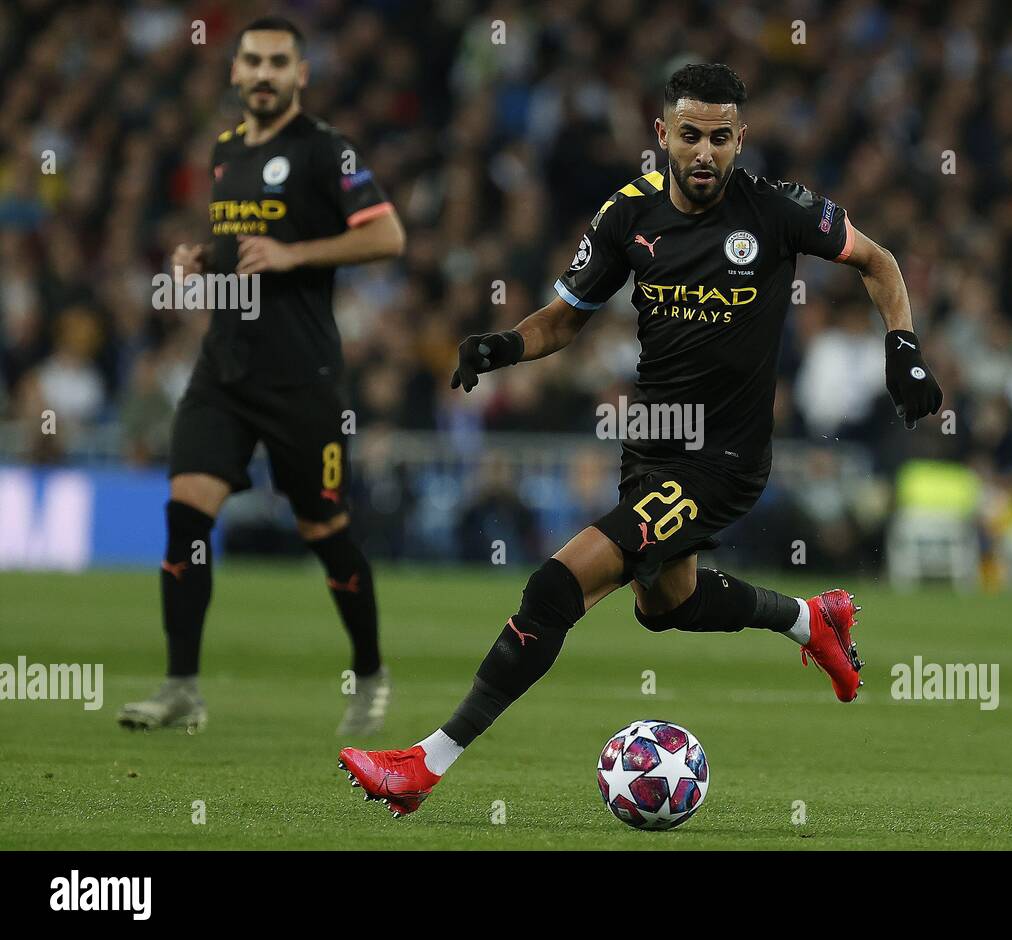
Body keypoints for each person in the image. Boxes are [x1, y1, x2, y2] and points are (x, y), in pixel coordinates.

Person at [339, 63, 941, 816]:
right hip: (651, 447)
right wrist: (502, 346)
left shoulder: (780, 210)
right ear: (662, 135)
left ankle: (424, 764)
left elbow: (880, 263)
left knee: (556, 585)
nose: (705, 152)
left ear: (740, 139)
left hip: (723, 463)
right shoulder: (626, 215)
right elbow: (563, 318)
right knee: (664, 605)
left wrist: (904, 349)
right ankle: (809, 620)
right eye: (690, 135)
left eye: (721, 138)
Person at [118, 16, 405, 735]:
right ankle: (182, 685)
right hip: (223, 371)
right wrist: (198, 261)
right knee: (186, 517)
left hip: (300, 380)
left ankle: (369, 673)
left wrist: (293, 254)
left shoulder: (326, 151)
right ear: (236, 72)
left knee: (326, 533)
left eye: (281, 61)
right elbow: (238, 251)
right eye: (254, 60)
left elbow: (387, 235)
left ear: (302, 74)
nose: (266, 72)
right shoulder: (222, 152)